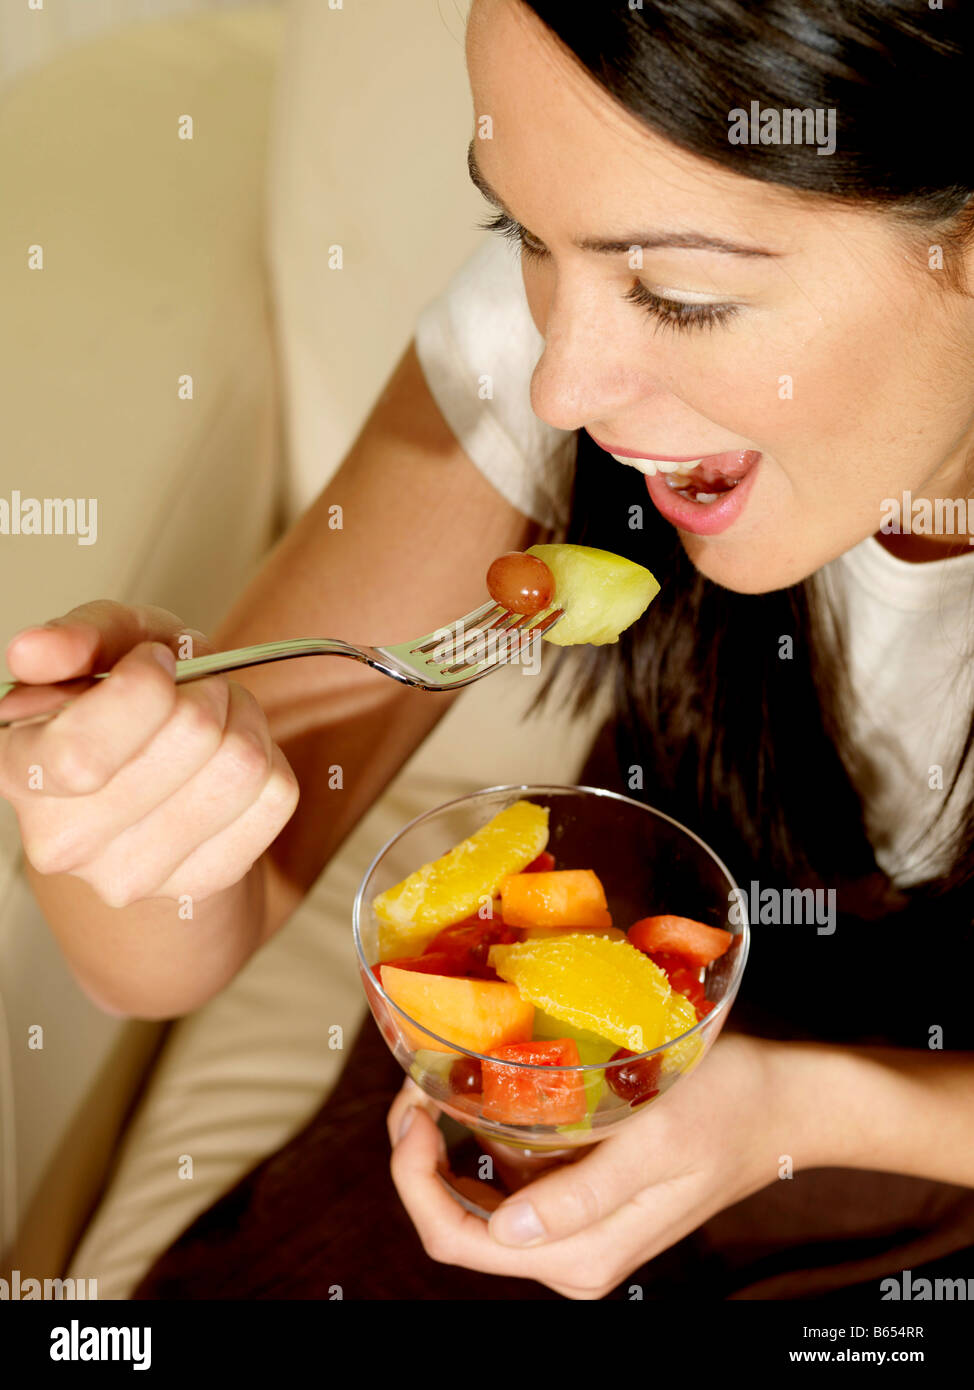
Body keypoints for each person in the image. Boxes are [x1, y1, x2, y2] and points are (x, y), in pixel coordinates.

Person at [4, 0, 974, 1299]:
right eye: (519, 231)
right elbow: (162, 949)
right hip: (573, 1032)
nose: (561, 388)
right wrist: (120, 786)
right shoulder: (542, 342)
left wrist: (809, 1110)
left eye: (681, 297)